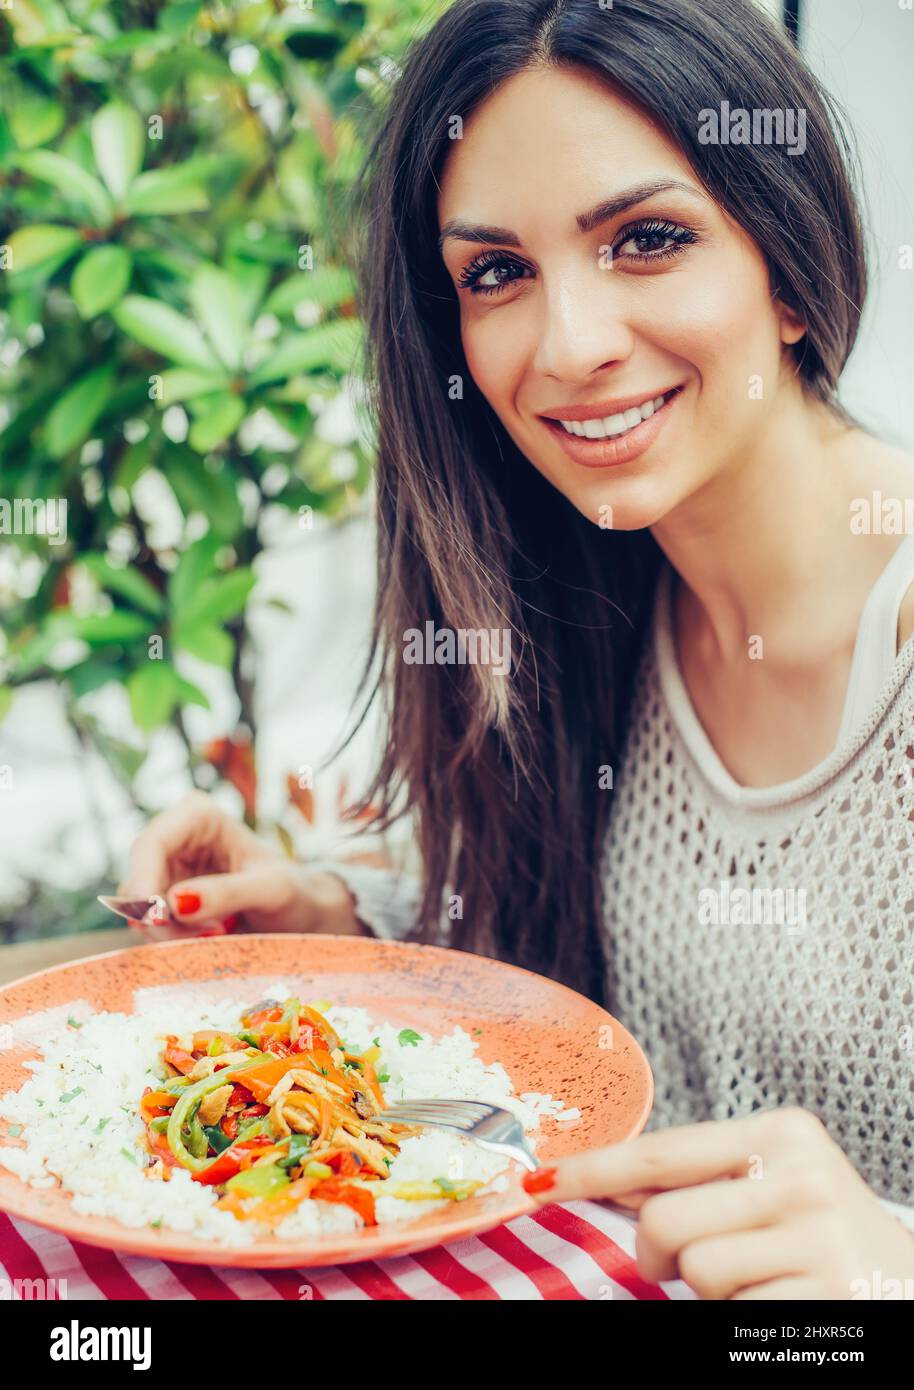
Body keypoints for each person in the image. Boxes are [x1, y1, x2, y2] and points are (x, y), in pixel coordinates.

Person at [118, 0, 914, 1297]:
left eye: (646, 239)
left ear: (789, 258)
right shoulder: (585, 600)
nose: (570, 345)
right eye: (495, 273)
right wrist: (350, 918)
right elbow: (583, 971)